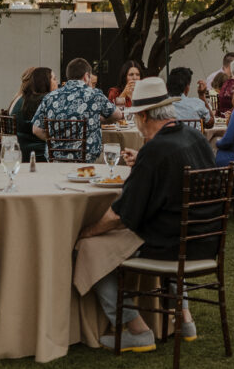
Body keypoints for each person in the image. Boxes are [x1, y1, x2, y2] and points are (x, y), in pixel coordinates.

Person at [78, 77, 217, 352]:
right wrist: (141, 158)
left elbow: (121, 215)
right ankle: (185, 320)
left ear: (142, 116)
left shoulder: (156, 151)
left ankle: (136, 330)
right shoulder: (195, 138)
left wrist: (87, 231)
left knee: (88, 248)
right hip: (207, 239)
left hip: (169, 244)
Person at [32, 57, 121, 161]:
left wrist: (56, 141)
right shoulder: (94, 94)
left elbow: (36, 130)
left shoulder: (50, 97)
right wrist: (100, 119)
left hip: (55, 159)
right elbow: (118, 115)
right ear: (87, 76)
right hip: (87, 159)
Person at [10, 66, 56, 160]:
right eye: (54, 79)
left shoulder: (23, 98)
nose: (57, 82)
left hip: (21, 147)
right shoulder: (43, 100)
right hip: (36, 150)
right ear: (45, 81)